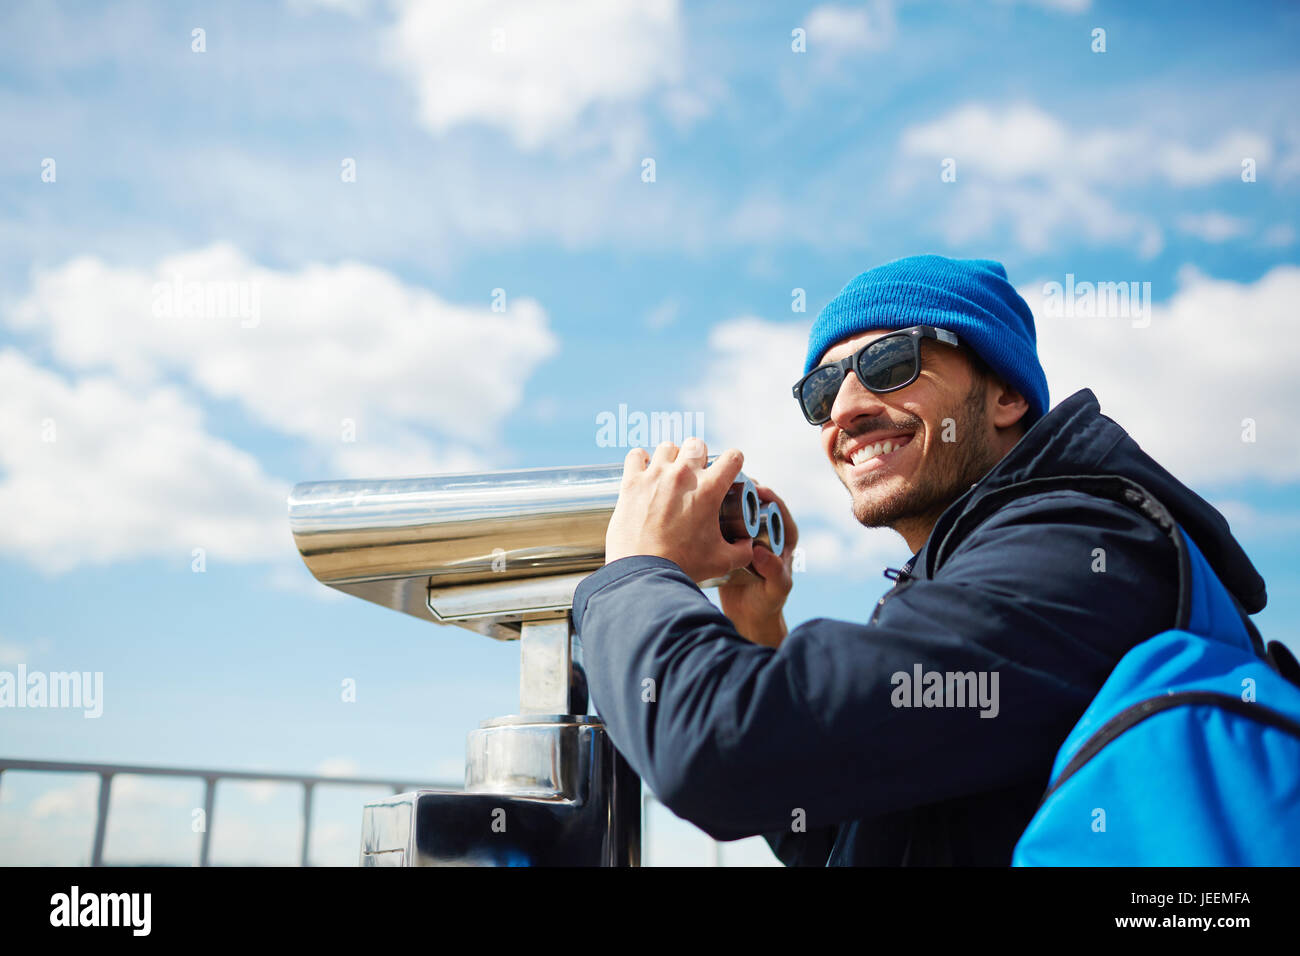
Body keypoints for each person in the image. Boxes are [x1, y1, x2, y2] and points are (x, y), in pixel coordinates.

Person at [571, 254, 1267, 865]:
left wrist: (636, 569)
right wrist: (758, 631)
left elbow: (717, 753)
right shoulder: (975, 575)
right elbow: (854, 839)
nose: (844, 408)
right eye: (820, 391)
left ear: (1007, 394)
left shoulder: (1078, 551)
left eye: (889, 363)